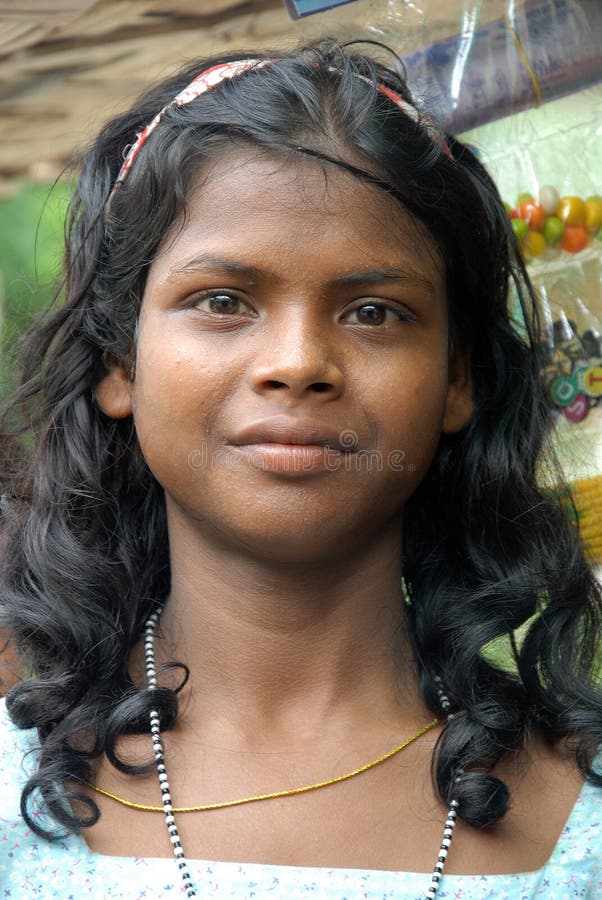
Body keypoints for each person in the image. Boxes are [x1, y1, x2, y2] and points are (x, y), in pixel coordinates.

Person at [0, 39, 600, 900]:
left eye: (373, 312)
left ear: (457, 379)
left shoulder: (580, 811)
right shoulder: (16, 797)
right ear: (118, 363)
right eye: (223, 302)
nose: (297, 361)